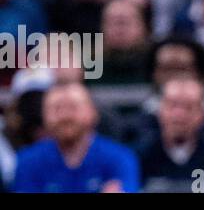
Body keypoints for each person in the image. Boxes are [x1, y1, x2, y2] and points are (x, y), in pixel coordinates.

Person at [12, 82, 140, 193]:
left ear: (93, 112)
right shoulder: (28, 160)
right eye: (56, 109)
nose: (65, 116)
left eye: (73, 107)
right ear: (44, 116)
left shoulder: (119, 157)